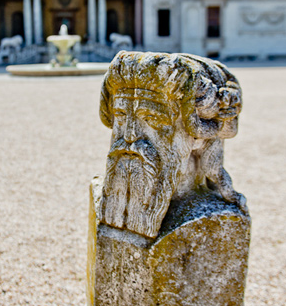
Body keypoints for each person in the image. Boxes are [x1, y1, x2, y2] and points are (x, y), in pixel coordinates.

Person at [96, 51, 245, 238]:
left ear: (199, 138)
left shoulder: (211, 225)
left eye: (152, 119)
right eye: (121, 116)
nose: (130, 136)